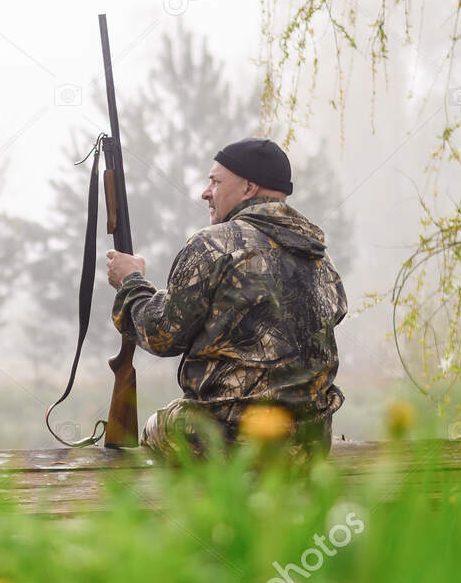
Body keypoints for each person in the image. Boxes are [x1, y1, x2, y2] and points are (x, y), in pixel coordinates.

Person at [103, 137, 346, 459]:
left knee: (160, 425)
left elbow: (161, 336)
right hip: (309, 444)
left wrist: (131, 282)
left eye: (215, 182)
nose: (206, 192)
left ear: (248, 188)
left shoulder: (214, 244)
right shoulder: (318, 256)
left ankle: (195, 510)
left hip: (229, 442)